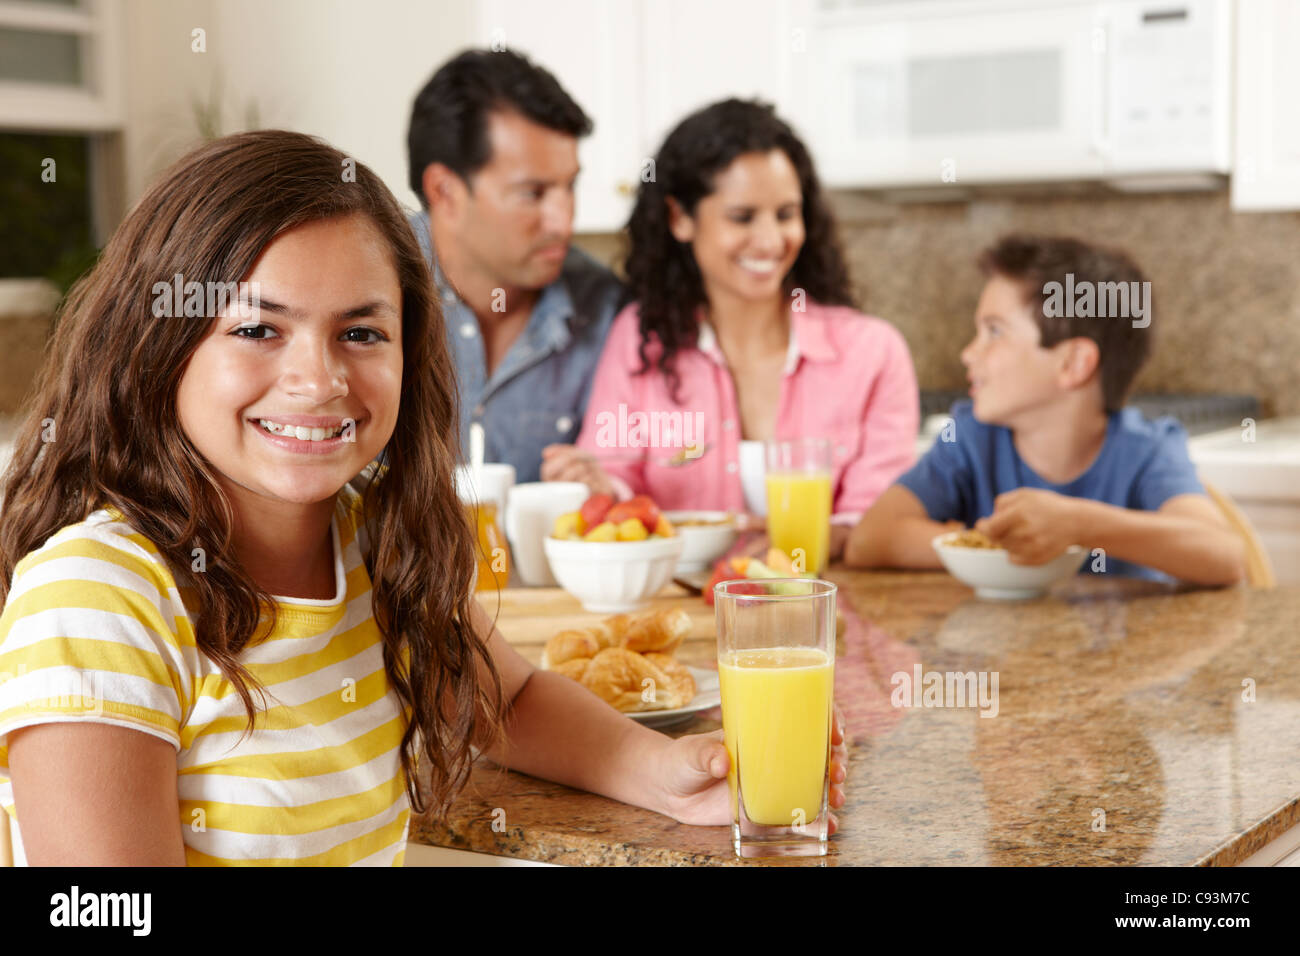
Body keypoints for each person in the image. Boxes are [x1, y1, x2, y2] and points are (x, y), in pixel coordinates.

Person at [0, 130, 845, 865]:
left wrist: (670, 774)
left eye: (361, 333)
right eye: (258, 329)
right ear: (159, 347)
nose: (319, 379)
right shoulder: (99, 602)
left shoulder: (369, 542)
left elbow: (508, 700)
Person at [542, 99, 919, 563]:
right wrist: (595, 484)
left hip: (831, 614)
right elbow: (617, 477)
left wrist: (819, 539)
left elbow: (881, 516)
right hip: (687, 611)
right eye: (742, 217)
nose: (769, 240)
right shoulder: (640, 340)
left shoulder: (873, 352)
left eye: (785, 214)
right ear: (680, 218)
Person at [845, 234, 1244, 585]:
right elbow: (870, 540)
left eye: (995, 331)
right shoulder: (970, 439)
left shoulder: (1146, 450)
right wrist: (995, 549)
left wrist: (1080, 525)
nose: (968, 353)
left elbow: (1224, 556)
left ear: (1072, 364)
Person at [406, 49, 622, 483]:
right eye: (533, 193)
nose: (565, 221)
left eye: (570, 186)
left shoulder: (607, 311)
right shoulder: (364, 288)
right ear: (444, 190)